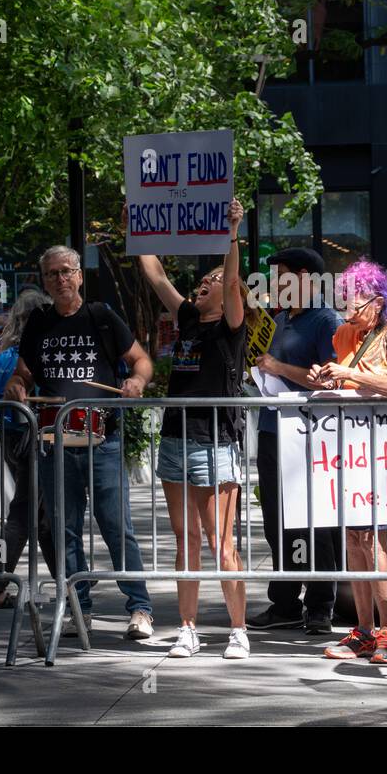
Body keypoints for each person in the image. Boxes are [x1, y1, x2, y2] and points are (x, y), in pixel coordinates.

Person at [3, 246, 155, 640]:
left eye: (66, 271)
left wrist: (136, 381)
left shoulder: (101, 316)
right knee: (64, 529)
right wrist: (16, 386)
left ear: (79, 276)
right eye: (52, 274)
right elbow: (23, 375)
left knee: (116, 526)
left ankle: (140, 608)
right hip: (54, 441)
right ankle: (78, 608)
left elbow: (142, 360)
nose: (60, 279)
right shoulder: (38, 321)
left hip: (102, 439)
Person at [137, 199, 253, 659]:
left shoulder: (231, 325)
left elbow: (230, 279)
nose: (205, 284)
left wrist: (231, 233)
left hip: (216, 441)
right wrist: (139, 223)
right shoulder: (186, 317)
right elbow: (156, 276)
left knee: (219, 541)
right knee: (184, 539)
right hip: (175, 438)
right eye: (203, 282)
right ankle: (187, 628)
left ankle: (238, 630)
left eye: (215, 281)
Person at [308, 258, 387, 664]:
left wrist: (350, 376)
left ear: (378, 300)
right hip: (347, 451)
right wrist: (325, 375)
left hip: (383, 451)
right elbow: (341, 377)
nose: (348, 312)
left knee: (373, 539)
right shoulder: (345, 336)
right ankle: (365, 632)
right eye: (345, 303)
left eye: (355, 304)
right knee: (354, 539)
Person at [246, 246, 342, 635]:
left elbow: (331, 379)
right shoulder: (279, 319)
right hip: (273, 432)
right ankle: (285, 601)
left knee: (317, 521)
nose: (275, 283)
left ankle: (321, 605)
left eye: (282, 275)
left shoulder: (326, 321)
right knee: (278, 522)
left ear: (305, 278)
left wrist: (278, 367)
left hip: (311, 436)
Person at [0, 288, 56, 608]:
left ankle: (69, 578)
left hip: (11, 440)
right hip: (32, 438)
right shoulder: (35, 355)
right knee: (24, 514)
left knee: (40, 514)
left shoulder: (5, 358)